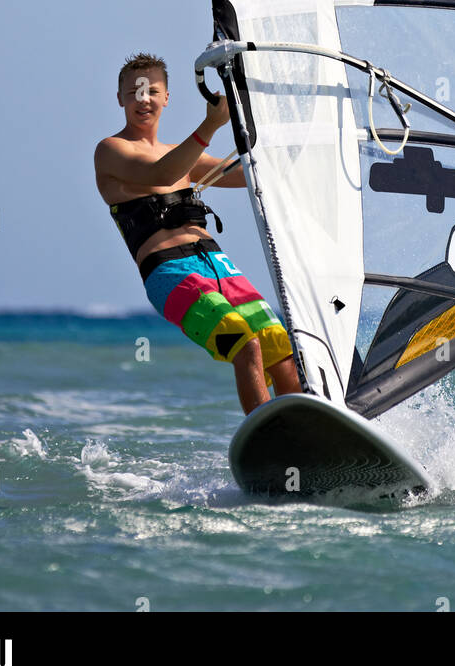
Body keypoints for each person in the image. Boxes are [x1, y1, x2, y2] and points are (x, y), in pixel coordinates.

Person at [94, 53, 301, 414]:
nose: (143, 99)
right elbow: (159, 174)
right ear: (120, 99)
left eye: (152, 90)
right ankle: (270, 442)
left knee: (278, 345)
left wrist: (292, 133)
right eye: (134, 91)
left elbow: (252, 174)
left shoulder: (181, 155)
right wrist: (210, 127)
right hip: (171, 275)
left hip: (218, 265)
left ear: (167, 97)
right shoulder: (111, 151)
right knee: (245, 343)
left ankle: (306, 434)